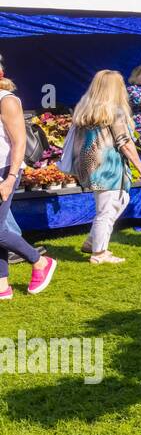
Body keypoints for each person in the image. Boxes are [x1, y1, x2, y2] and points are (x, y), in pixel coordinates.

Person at [69, 70, 141, 264]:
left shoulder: (85, 108)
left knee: (117, 202)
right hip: (108, 166)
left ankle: (92, 241)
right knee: (107, 210)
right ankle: (99, 254)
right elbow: (125, 143)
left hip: (89, 164)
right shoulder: (114, 111)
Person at [0, 67, 57, 295]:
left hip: (5, 170)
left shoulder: (7, 101)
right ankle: (2, 285)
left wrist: (10, 179)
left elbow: (19, 143)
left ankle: (40, 262)